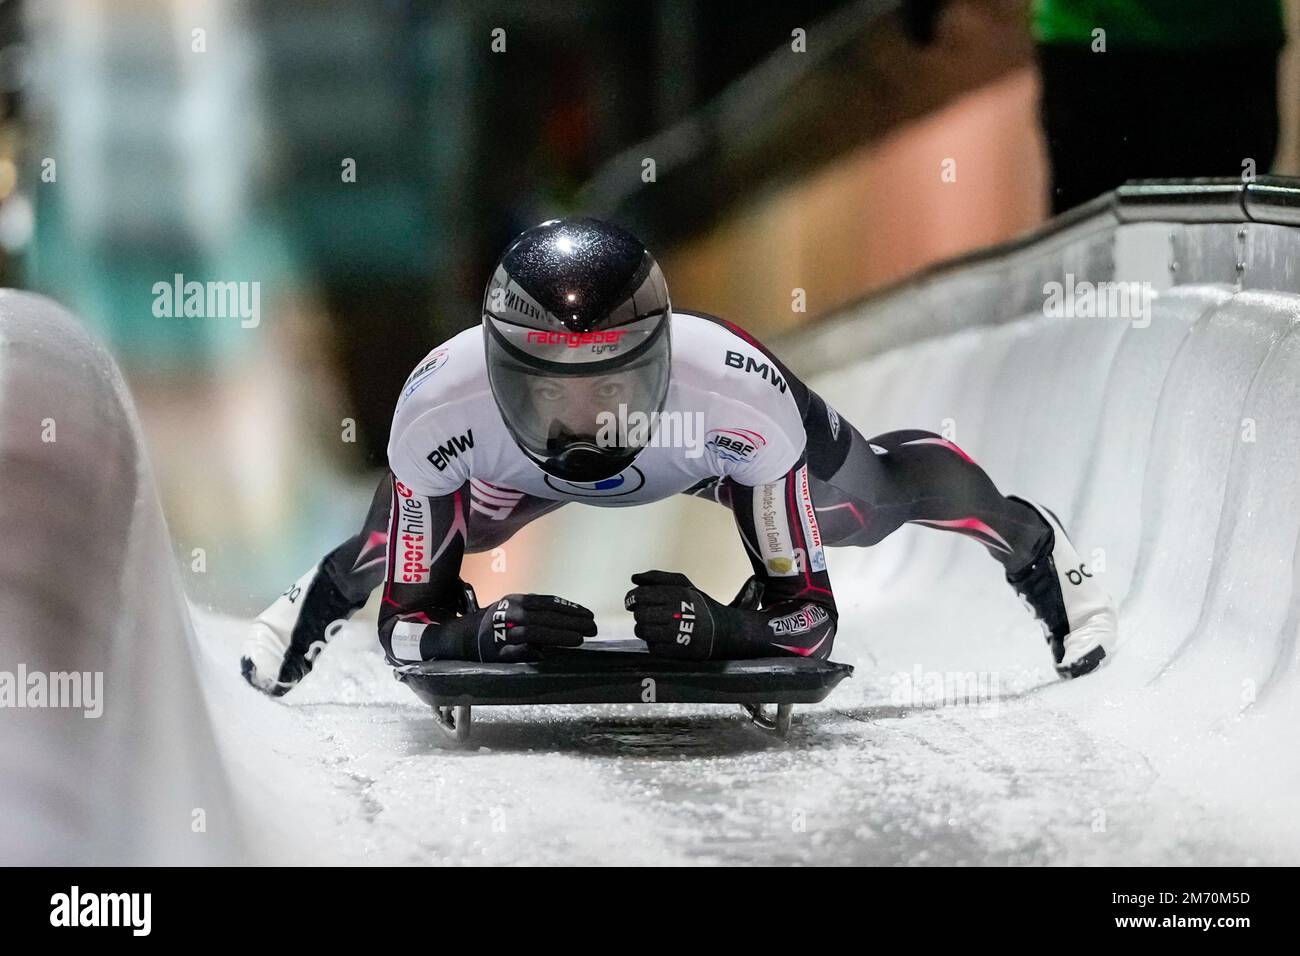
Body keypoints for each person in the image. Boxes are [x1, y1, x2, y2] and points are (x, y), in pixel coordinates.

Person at [241, 218, 1115, 694]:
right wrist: (471, 630)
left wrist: (735, 627)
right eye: (553, 390)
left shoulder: (738, 396)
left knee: (873, 503)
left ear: (658, 360)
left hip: (702, 452)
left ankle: (1035, 547)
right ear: (502, 372)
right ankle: (305, 608)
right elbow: (406, 621)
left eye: (609, 387)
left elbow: (808, 616)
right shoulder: (438, 406)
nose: (586, 420)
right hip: (519, 472)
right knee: (382, 546)